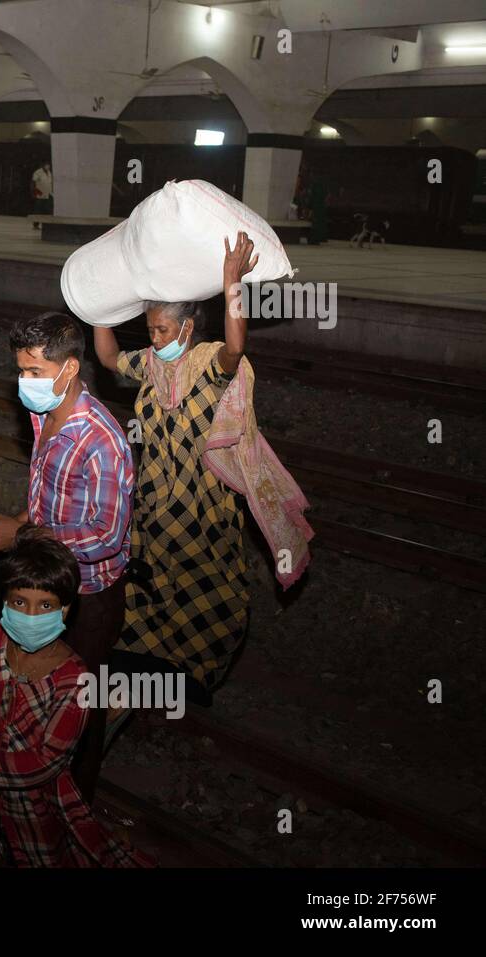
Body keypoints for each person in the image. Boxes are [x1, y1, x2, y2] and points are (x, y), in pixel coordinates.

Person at [92, 232, 312, 708]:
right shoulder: (151, 366)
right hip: (154, 504)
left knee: (207, 588)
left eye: (162, 331)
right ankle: (148, 667)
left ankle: (195, 673)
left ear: (188, 328)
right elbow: (108, 358)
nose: (153, 339)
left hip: (203, 507)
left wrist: (232, 282)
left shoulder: (209, 364)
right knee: (151, 584)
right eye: (150, 330)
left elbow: (235, 347)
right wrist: (98, 309)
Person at [0, 528, 153, 868]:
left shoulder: (75, 681)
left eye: (45, 605)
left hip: (37, 802)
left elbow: (44, 763)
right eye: (20, 603)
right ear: (4, 602)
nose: (31, 616)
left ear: (64, 610)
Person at [0, 312, 133, 801]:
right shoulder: (44, 413)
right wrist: (25, 520)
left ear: (69, 370)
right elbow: (50, 492)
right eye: (20, 370)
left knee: (78, 704)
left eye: (35, 373)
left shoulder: (102, 440)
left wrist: (22, 537)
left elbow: (106, 534)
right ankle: (18, 779)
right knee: (28, 684)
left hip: (86, 594)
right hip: (44, 578)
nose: (25, 383)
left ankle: (73, 804)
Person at [31, 160, 53, 227]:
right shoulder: (38, 172)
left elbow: (50, 183)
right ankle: (36, 224)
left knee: (48, 210)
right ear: (43, 165)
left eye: (49, 165)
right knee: (38, 210)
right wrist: (34, 193)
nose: (48, 166)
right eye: (46, 165)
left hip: (47, 194)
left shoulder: (49, 173)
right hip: (39, 194)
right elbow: (33, 182)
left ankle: (47, 224)